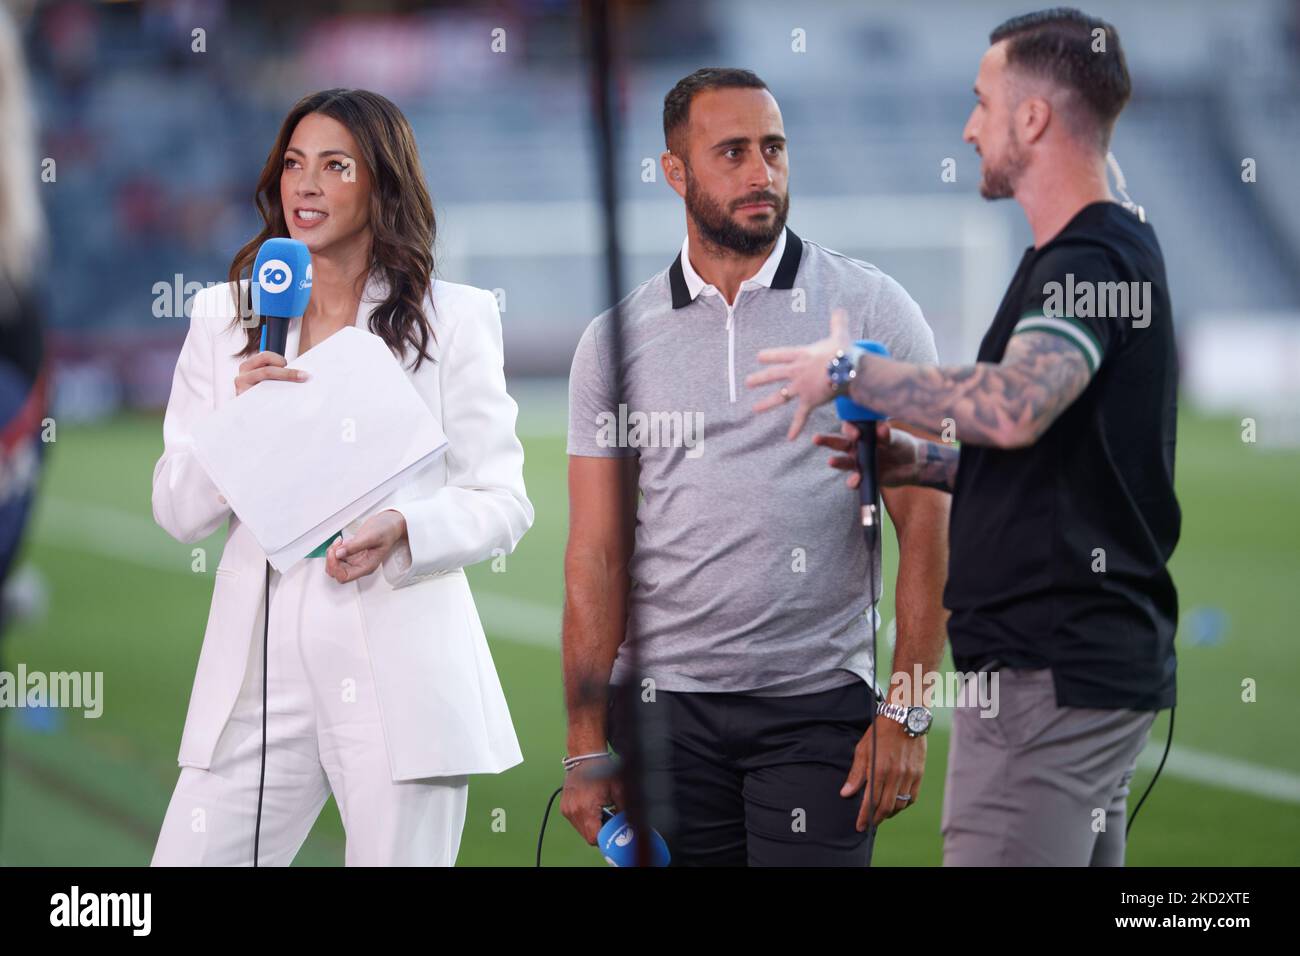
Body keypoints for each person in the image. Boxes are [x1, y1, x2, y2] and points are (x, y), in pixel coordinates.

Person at [747, 9, 1179, 866]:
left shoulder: (1088, 261)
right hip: (1089, 667)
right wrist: (925, 463)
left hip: (1046, 672)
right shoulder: (1104, 247)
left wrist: (850, 372)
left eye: (983, 102)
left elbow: (1017, 404)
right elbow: (1058, 463)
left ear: (1033, 119)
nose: (968, 126)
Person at [561, 68, 950, 866]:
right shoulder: (613, 341)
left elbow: (931, 523)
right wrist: (583, 740)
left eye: (772, 149)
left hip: (818, 712)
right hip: (663, 714)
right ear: (675, 172)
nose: (761, 174)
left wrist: (908, 713)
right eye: (731, 152)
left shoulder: (875, 310)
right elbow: (596, 552)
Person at [150, 89, 533, 866]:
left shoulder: (450, 318)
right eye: (293, 164)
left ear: (381, 184)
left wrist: (407, 529)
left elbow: (503, 501)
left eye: (335, 166)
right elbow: (175, 508)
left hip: (399, 671)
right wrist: (236, 434)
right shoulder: (225, 318)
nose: (306, 186)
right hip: (255, 674)